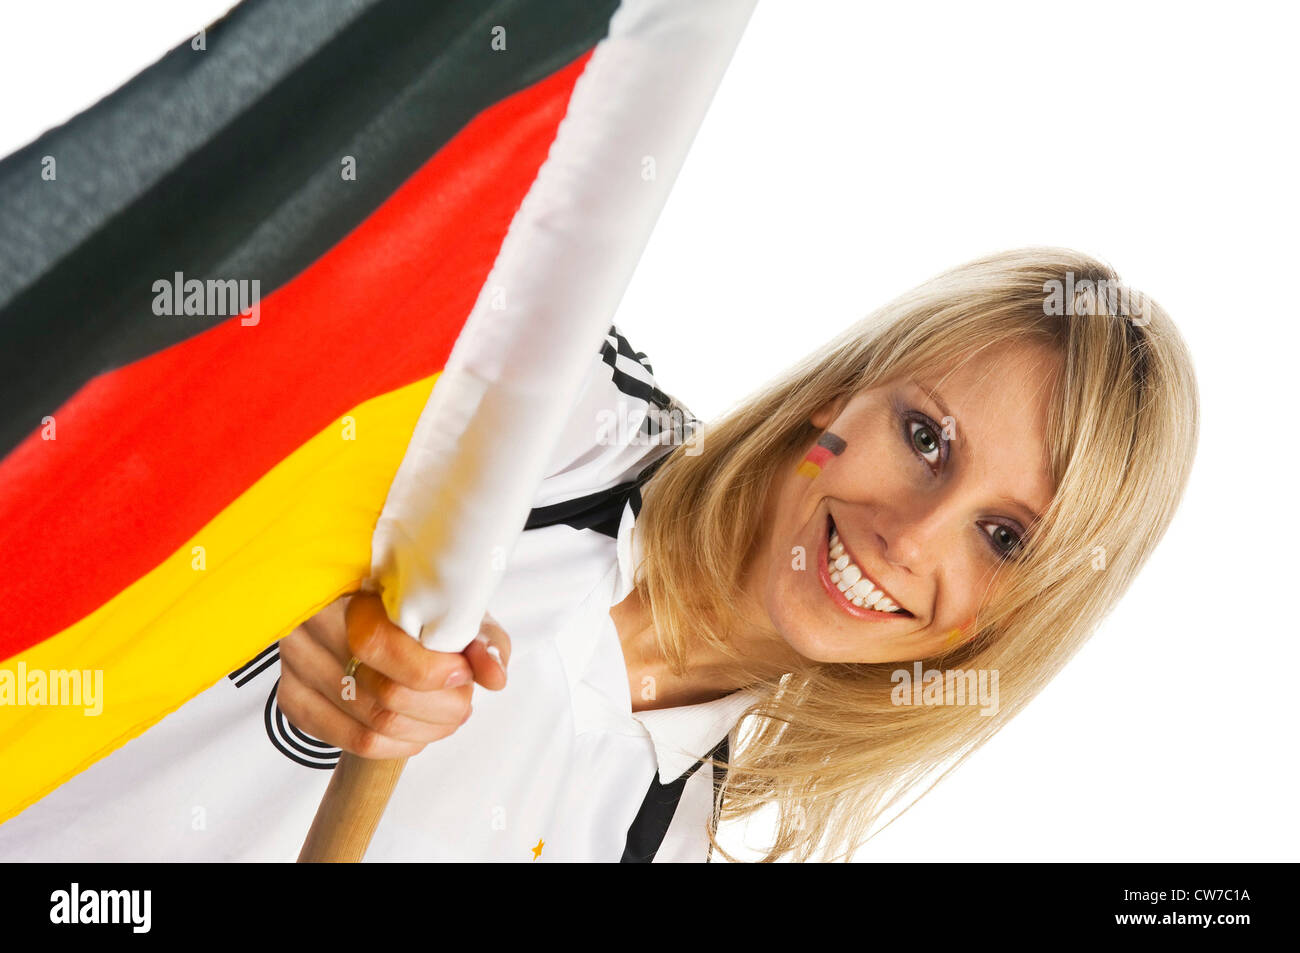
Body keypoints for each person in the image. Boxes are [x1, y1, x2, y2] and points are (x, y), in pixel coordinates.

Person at [0, 247, 1198, 863]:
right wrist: (278, 586)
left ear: (1008, 621)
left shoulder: (654, 844)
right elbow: (210, 357)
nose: (910, 533)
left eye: (1001, 539)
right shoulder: (553, 405)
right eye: (923, 436)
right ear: (844, 393)